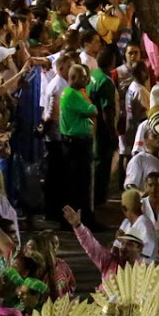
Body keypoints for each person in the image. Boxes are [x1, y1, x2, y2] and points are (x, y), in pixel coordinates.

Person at [56, 64, 96, 229]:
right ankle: (82, 220)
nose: (86, 80)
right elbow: (93, 110)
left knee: (77, 184)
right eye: (83, 76)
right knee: (80, 185)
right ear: (73, 78)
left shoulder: (72, 93)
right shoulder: (73, 95)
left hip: (75, 144)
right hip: (76, 146)